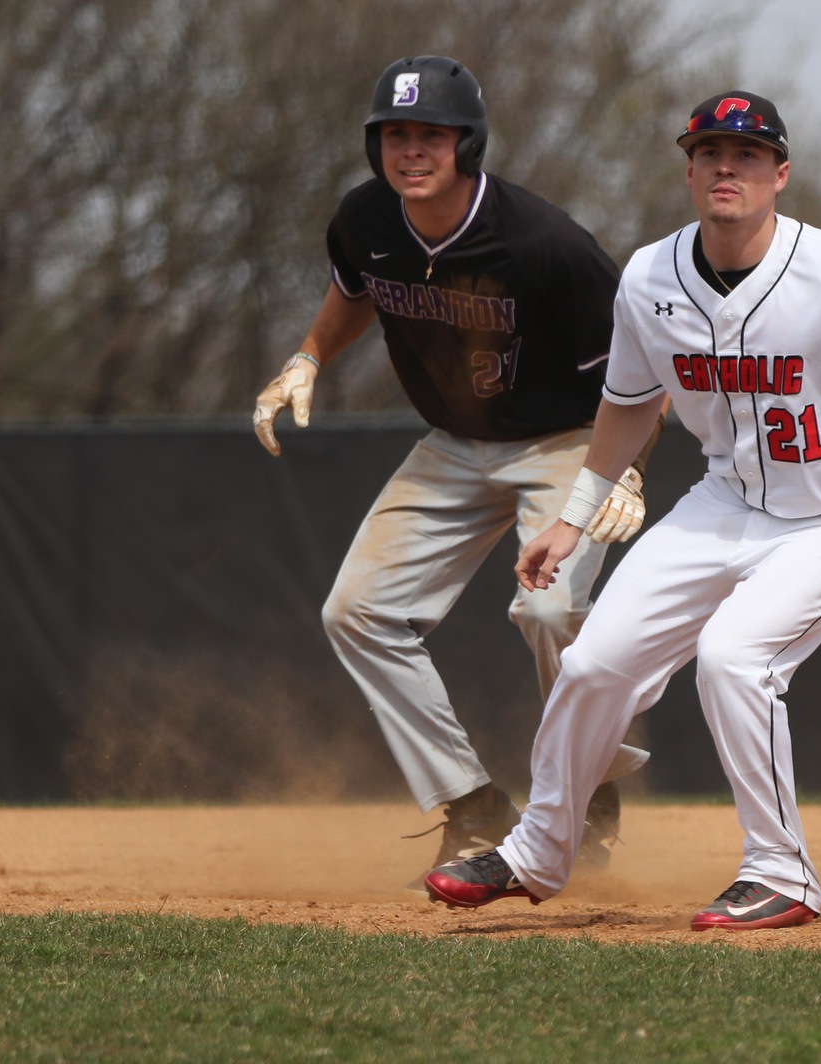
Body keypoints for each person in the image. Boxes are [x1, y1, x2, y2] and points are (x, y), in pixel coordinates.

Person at [425, 91, 821, 928]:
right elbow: (627, 403)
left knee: (734, 659)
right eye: (711, 152)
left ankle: (782, 874)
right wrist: (575, 516)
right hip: (722, 505)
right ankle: (537, 853)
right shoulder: (650, 276)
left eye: (748, 154)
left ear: (780, 175)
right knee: (591, 666)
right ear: (688, 170)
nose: (728, 166)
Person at [251, 56, 658, 884]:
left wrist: (625, 472)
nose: (410, 150)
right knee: (355, 612)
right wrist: (307, 355)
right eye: (394, 134)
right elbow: (354, 289)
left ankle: (592, 779)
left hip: (566, 440)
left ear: (466, 142)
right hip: (453, 445)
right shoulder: (366, 218)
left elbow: (637, 380)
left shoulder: (546, 245)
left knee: (549, 610)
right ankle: (472, 804)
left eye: (430, 134)